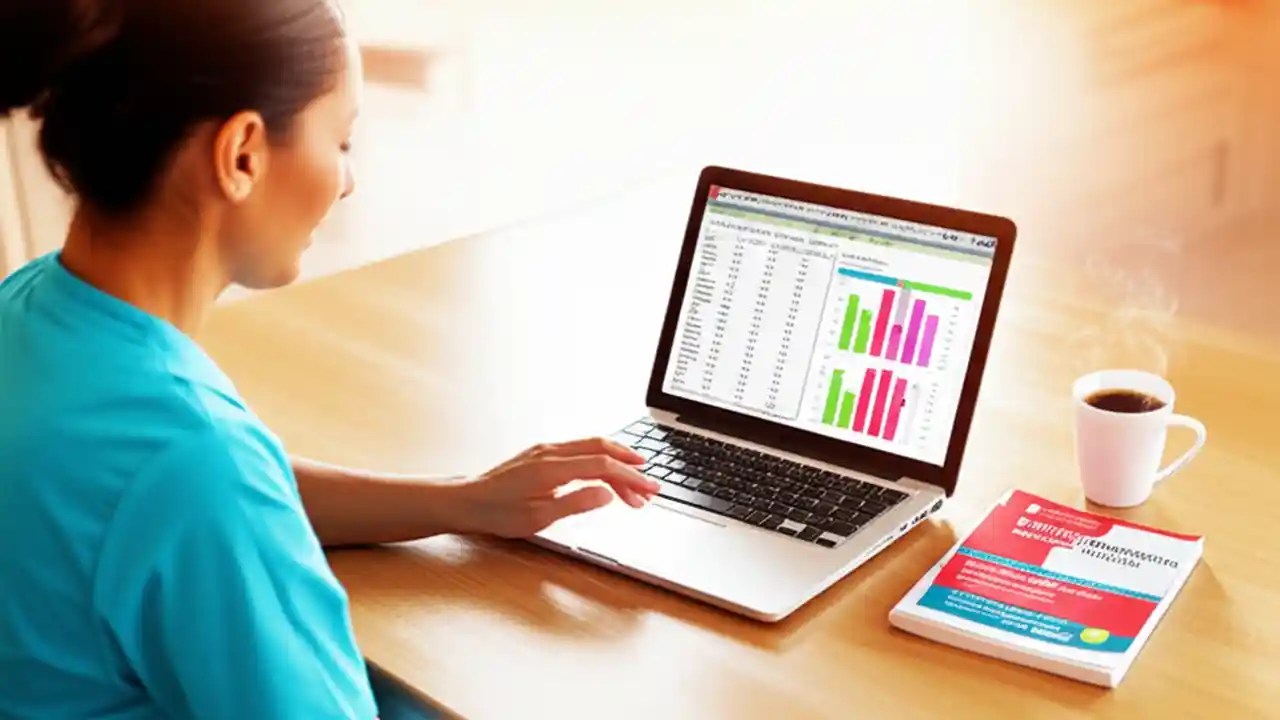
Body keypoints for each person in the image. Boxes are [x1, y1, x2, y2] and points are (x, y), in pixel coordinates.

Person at [0, 1, 660, 718]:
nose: (347, 182)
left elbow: (195, 501)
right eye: (341, 141)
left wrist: (461, 500)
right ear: (242, 154)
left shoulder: (28, 311)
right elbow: (200, 489)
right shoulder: (191, 454)